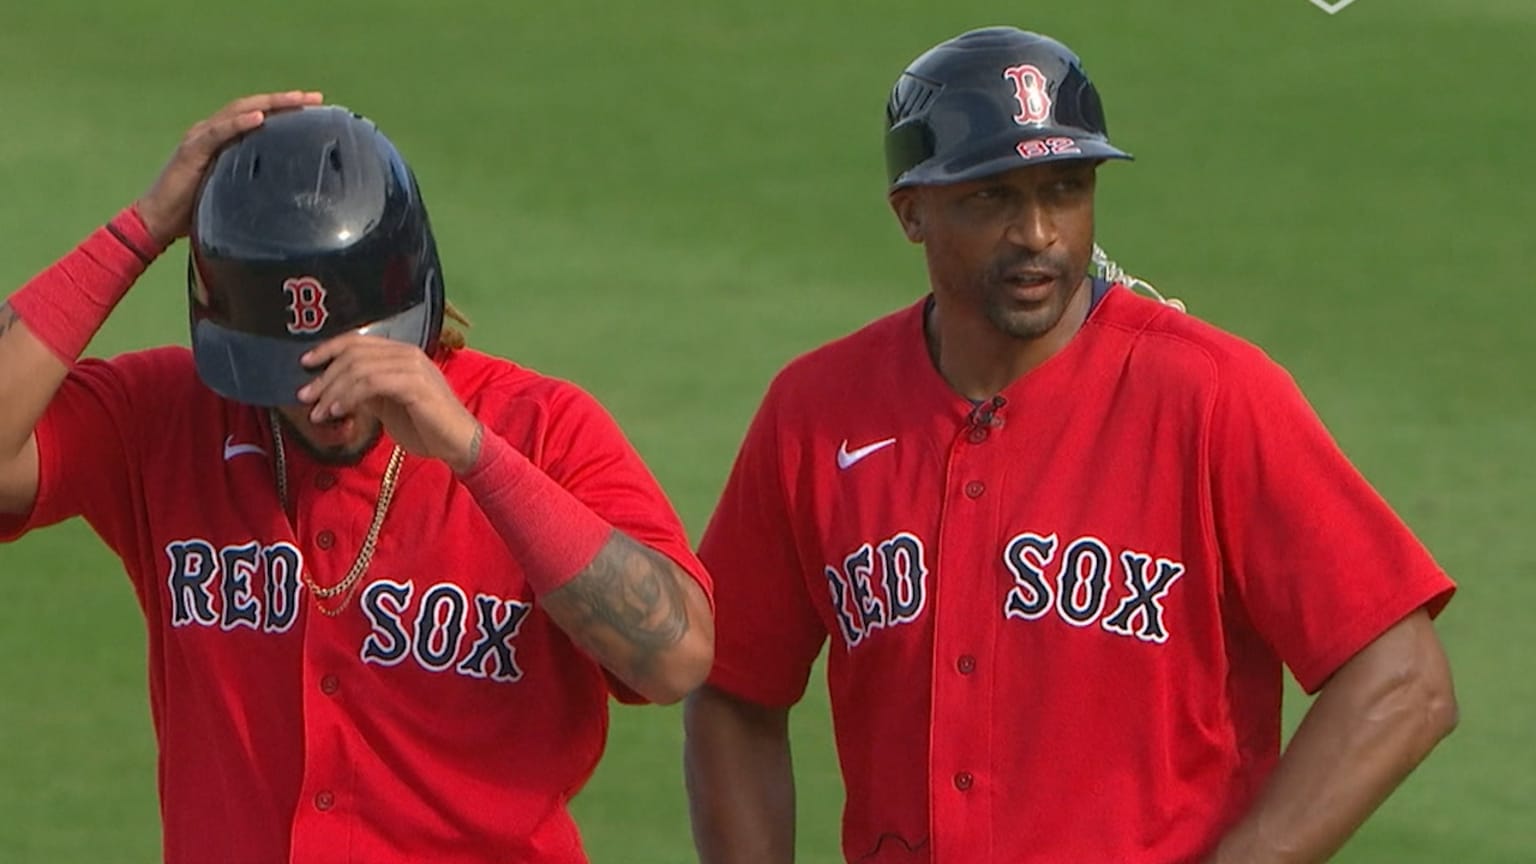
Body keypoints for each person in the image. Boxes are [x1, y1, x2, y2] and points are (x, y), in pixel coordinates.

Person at [683, 26, 1456, 864]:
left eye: (1065, 188)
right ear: (912, 210)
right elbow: (732, 690)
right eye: (992, 197)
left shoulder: (1209, 397)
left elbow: (1404, 681)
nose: (1040, 234)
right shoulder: (817, 414)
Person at [0, 93, 714, 863]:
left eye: (348, 358)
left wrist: (477, 456)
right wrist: (141, 229)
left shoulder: (541, 428)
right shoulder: (169, 419)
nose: (319, 398)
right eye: (284, 367)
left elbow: (675, 658)